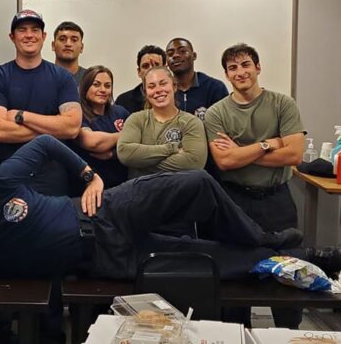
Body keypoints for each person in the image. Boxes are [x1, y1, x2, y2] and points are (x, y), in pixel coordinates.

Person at [0, 135, 341, 283]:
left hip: (106, 210)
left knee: (196, 182)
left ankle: (264, 237)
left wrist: (90, 175)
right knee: (208, 258)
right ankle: (318, 258)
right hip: (107, 260)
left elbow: (47, 142)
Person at [204, 43, 306, 329]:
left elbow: (294, 154)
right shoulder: (216, 113)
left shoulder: (282, 104)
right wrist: (266, 144)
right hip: (235, 201)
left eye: (246, 64)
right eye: (233, 68)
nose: (241, 72)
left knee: (287, 274)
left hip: (278, 201)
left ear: (258, 67)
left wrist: (242, 152)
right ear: (226, 74)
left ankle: (288, 334)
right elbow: (224, 161)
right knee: (238, 278)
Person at [0, 10, 82, 196]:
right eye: (22, 30)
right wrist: (53, 130)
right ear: (12, 37)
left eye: (35, 30)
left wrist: (22, 116)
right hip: (9, 176)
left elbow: (72, 127)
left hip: (53, 178)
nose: (29, 35)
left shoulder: (63, 78)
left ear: (43, 37)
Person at [116, 66, 207, 179]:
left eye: (163, 83)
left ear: (174, 86)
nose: (158, 90)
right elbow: (125, 153)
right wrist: (171, 148)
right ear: (146, 92)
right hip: (141, 192)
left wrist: (141, 162)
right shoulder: (136, 119)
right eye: (151, 86)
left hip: (180, 191)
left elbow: (194, 162)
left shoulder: (191, 122)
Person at [75, 66, 130, 188]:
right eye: (96, 84)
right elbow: (94, 143)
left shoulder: (120, 112)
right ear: (85, 87)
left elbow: (137, 143)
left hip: (123, 184)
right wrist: (124, 135)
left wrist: (112, 154)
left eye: (107, 85)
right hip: (89, 187)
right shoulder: (78, 115)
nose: (103, 90)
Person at [166, 37, 228, 121]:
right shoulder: (163, 91)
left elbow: (225, 123)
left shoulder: (215, 87)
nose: (175, 55)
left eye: (182, 51)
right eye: (170, 54)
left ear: (194, 56)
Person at [115, 45, 165, 113]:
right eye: (145, 66)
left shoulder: (174, 97)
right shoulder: (123, 101)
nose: (151, 69)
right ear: (139, 72)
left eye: (156, 65)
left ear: (165, 70)